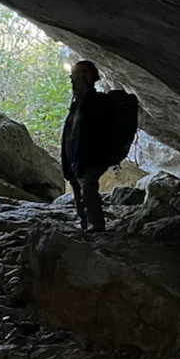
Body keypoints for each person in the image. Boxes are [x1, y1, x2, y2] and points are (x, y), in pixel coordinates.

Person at [61, 60, 113, 232]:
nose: (71, 80)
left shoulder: (97, 103)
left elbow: (97, 134)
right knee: (81, 193)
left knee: (88, 192)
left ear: (87, 77)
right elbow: (70, 133)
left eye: (74, 76)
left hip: (89, 159)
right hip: (77, 160)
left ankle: (96, 227)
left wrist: (91, 159)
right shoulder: (78, 104)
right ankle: (86, 225)